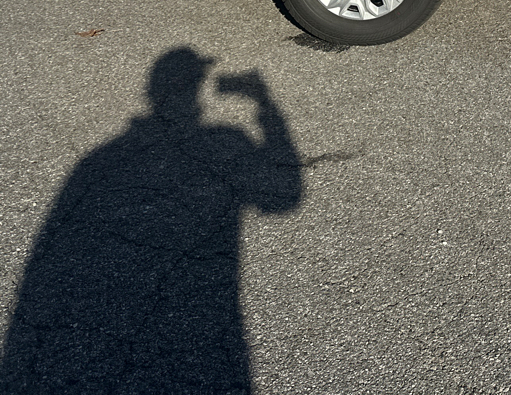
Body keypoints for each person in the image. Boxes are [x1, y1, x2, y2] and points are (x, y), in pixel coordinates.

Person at [0, 48, 301, 393]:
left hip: (94, 334)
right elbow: (285, 198)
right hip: (202, 327)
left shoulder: (101, 158)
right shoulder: (225, 138)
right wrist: (264, 102)